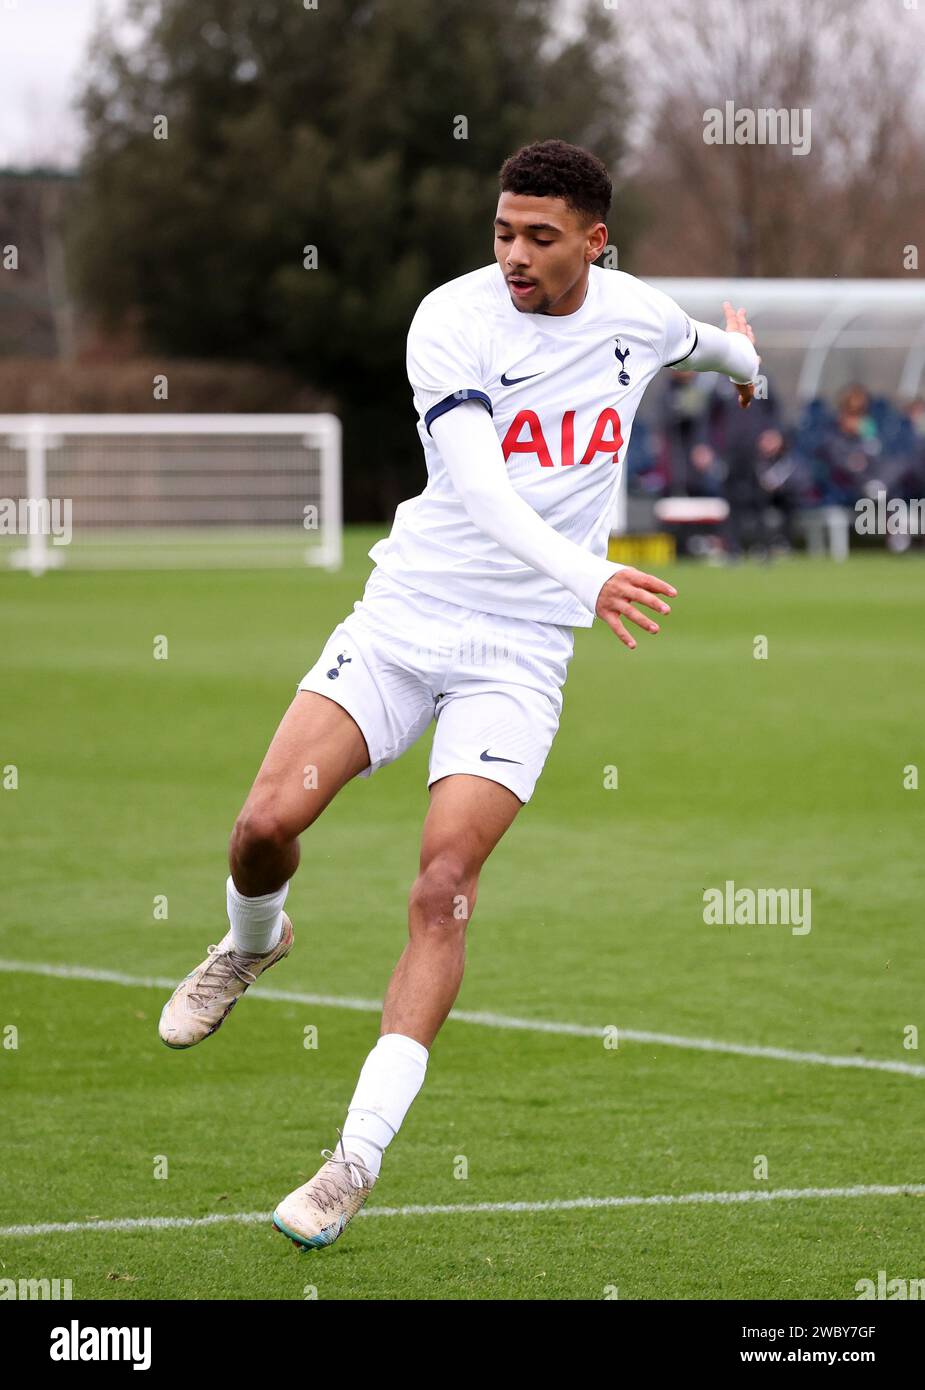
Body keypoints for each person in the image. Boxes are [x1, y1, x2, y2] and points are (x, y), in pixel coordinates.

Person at [156, 139, 760, 1251]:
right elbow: (476, 485)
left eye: (540, 236)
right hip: (407, 619)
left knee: (443, 887)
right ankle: (253, 938)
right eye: (502, 231)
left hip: (520, 653)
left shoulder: (634, 314)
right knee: (262, 826)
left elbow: (702, 344)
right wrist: (591, 572)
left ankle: (352, 1162)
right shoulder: (451, 319)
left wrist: (745, 364)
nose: (515, 255)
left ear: (595, 241)